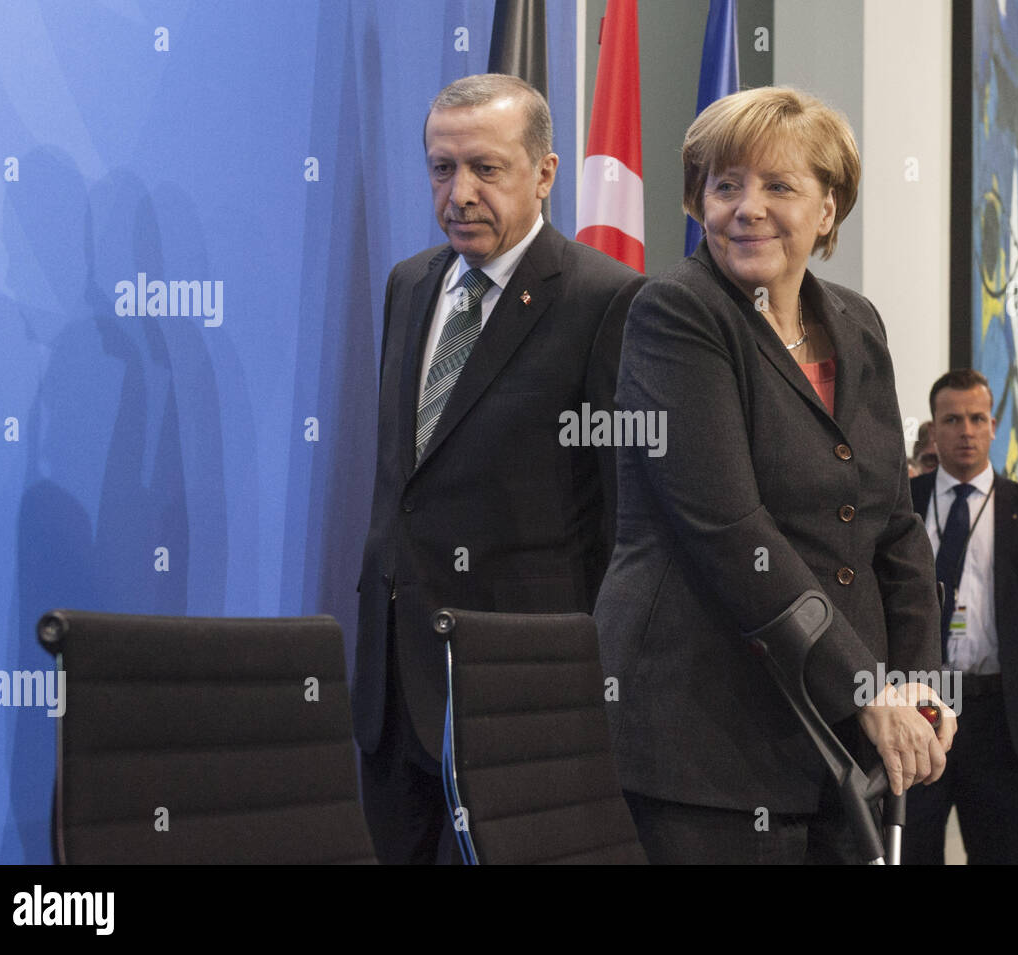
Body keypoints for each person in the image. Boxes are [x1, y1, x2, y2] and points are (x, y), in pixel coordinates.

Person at [594, 86, 954, 865]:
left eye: (778, 186)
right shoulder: (674, 313)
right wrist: (866, 687)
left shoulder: (856, 323)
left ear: (828, 209)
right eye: (725, 185)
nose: (746, 207)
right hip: (706, 738)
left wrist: (920, 685)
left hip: (837, 741)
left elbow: (892, 521)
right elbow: (730, 529)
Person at [351, 74, 643, 863]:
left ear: (545, 174)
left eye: (486, 167)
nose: (459, 193)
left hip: (517, 697)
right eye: (442, 169)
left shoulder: (606, 299)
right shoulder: (409, 284)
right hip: (390, 686)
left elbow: (623, 522)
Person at [904, 369, 1018, 865]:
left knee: (1003, 855)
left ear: (993, 425)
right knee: (914, 852)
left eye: (976, 418)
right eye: (952, 419)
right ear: (935, 428)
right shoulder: (904, 505)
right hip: (919, 711)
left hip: (1002, 718)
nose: (965, 430)